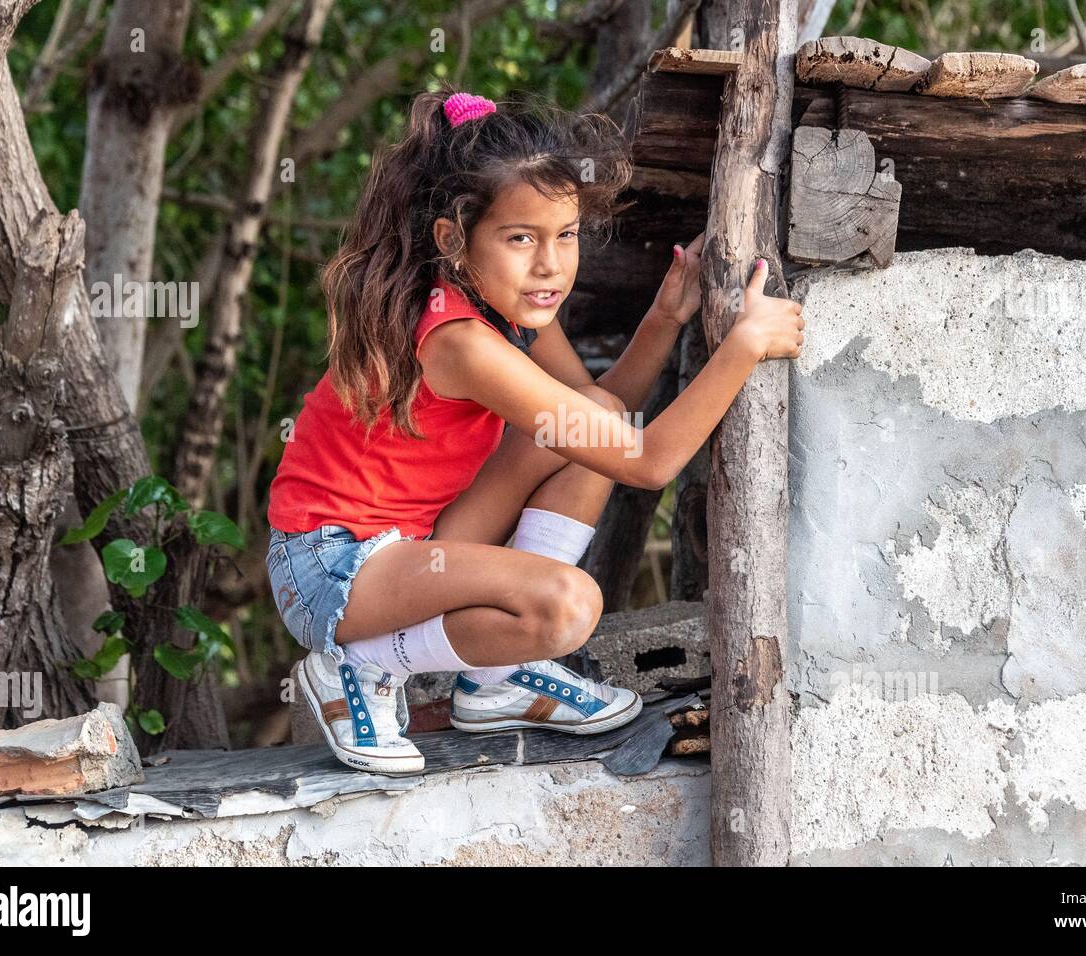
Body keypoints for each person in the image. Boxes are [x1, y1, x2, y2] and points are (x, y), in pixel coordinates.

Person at [266, 88, 805, 775]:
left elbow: (599, 412)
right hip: (333, 569)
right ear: (453, 241)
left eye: (566, 235)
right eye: (521, 238)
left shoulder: (509, 311)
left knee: (592, 424)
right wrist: (743, 347)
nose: (550, 265)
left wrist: (663, 319)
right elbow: (646, 465)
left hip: (417, 546)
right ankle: (356, 666)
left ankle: (495, 683)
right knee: (566, 608)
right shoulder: (460, 340)